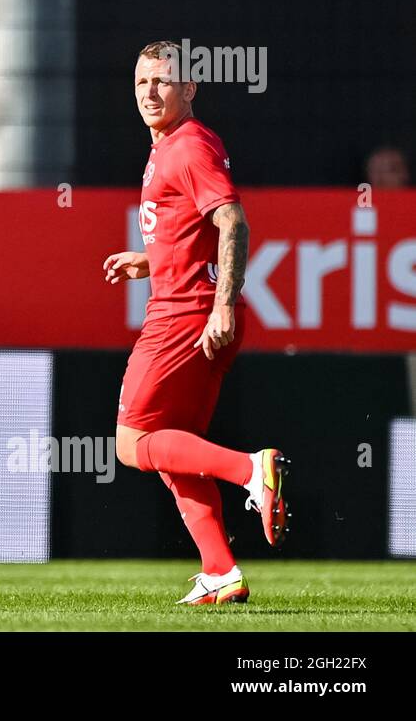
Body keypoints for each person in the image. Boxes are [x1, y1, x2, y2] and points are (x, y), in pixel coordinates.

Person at [102, 40, 288, 606]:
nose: (150, 93)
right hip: (191, 306)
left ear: (189, 89)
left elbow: (233, 222)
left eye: (162, 82)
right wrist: (150, 258)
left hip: (185, 316)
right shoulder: (169, 147)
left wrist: (223, 305)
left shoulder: (188, 146)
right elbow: (194, 229)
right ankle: (221, 570)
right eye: (141, 83)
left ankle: (251, 469)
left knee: (131, 445)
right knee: (172, 447)